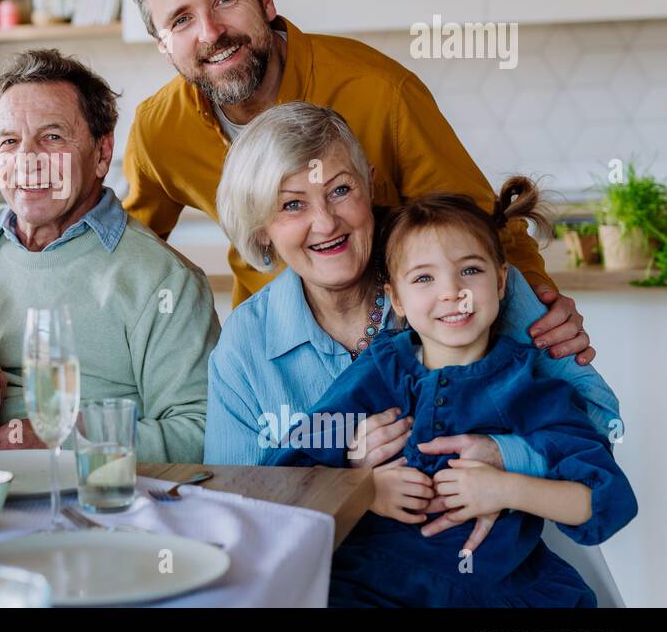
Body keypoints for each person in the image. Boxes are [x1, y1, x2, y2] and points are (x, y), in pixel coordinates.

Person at [121, 0, 596, 367]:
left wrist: (541, 308)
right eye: (181, 20)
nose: (211, 32)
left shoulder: (381, 90)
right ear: (163, 45)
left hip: (402, 348)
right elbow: (131, 258)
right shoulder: (159, 130)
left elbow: (478, 224)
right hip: (274, 360)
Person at [203, 103, 622, 550]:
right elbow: (233, 510)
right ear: (262, 229)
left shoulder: (469, 287)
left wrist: (505, 459)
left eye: (340, 190)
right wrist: (349, 476)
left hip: (493, 567)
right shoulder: (247, 341)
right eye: (291, 205)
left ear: (369, 182)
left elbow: (599, 425)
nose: (325, 222)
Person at [273, 178, 637, 607]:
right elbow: (294, 465)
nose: (452, 291)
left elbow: (605, 501)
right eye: (424, 277)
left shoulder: (529, 386)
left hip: (493, 592)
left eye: (470, 270)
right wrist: (365, 486)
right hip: (371, 586)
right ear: (398, 300)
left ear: (501, 282)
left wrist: (507, 489)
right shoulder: (381, 370)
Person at [0, 49, 217, 464]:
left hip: (93, 497)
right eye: (9, 142)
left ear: (102, 154)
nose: (27, 161)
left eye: (52, 138)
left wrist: (63, 439)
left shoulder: (165, 281)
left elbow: (200, 432)